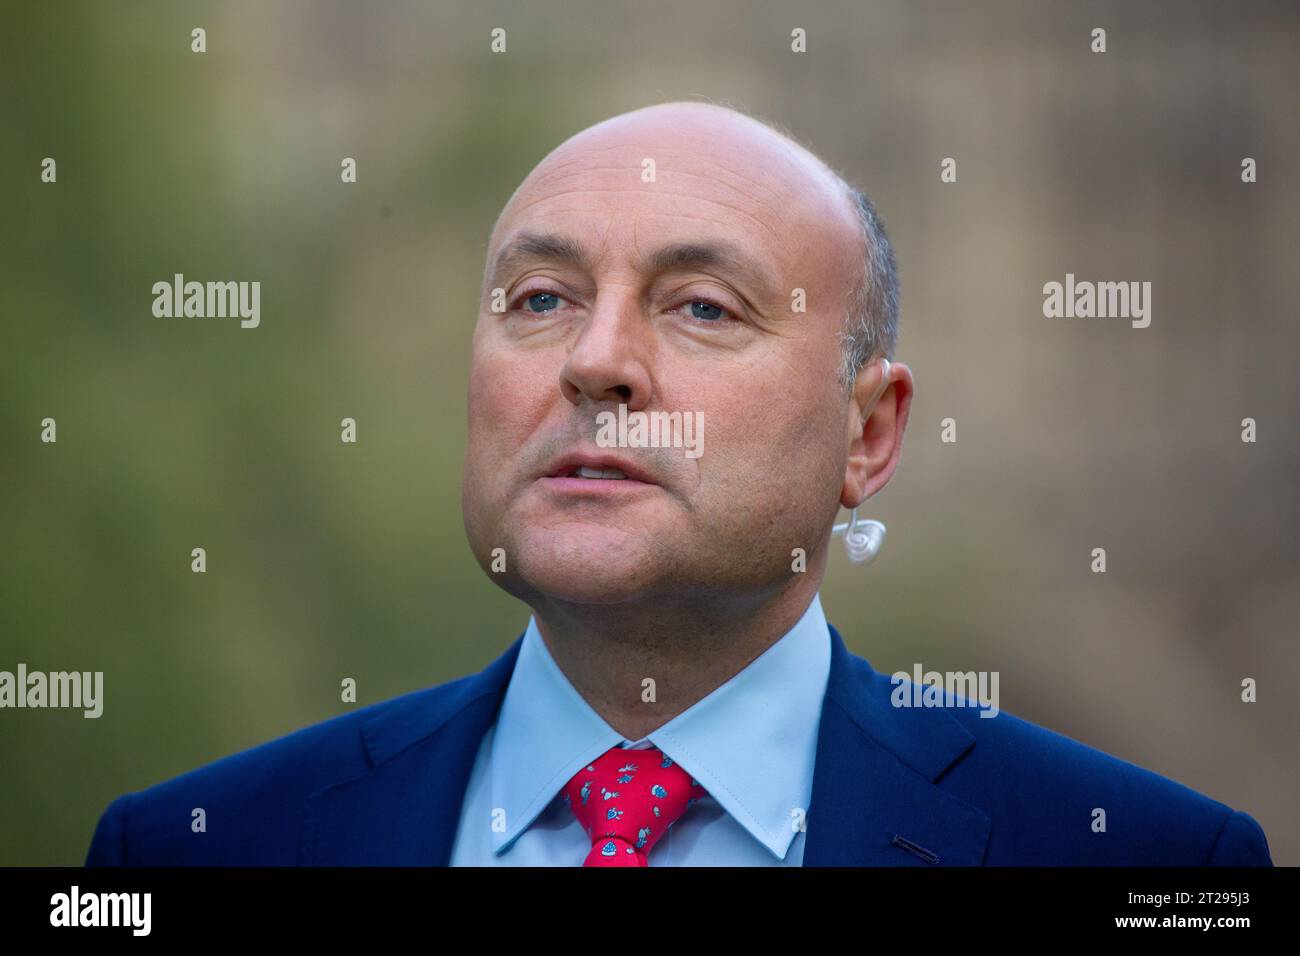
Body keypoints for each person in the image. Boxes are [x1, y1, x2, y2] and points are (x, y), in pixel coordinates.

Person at [85, 102, 1271, 866]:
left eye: (703, 307)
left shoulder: (1153, 864)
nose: (594, 360)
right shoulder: (187, 850)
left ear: (867, 435)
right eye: (541, 299)